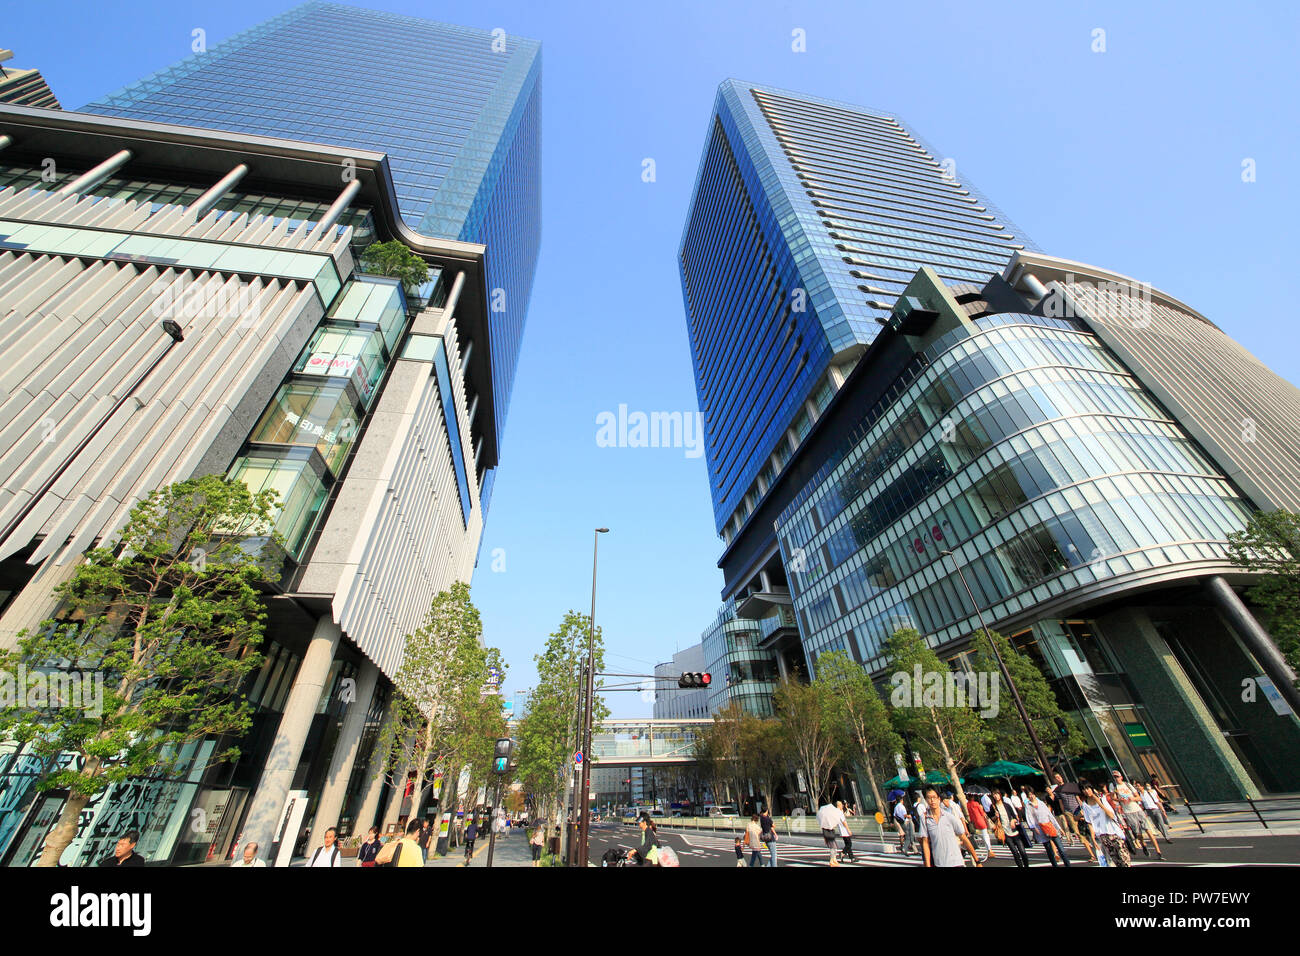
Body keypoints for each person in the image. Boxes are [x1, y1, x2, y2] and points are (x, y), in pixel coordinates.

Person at [920, 788, 982, 868]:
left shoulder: (949, 817)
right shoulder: (924, 818)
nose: (932, 800)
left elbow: (964, 838)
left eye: (934, 797)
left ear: (939, 799)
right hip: (939, 863)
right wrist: (928, 865)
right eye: (929, 798)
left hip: (956, 862)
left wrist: (977, 861)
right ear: (925, 800)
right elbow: (925, 843)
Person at [1112, 771, 1162, 859]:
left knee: (1148, 830)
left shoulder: (1128, 785)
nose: (1116, 778)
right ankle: (1143, 845)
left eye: (1117, 777)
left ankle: (1158, 851)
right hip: (1128, 812)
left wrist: (1133, 798)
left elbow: (1139, 798)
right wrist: (1121, 800)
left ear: (1121, 777)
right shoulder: (1115, 787)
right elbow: (1114, 798)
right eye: (1115, 777)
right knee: (1138, 833)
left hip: (1137, 810)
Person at [1079, 780, 1129, 867]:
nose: (1086, 791)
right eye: (1083, 789)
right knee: (1116, 861)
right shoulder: (1085, 805)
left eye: (1087, 788)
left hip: (1113, 832)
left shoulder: (1102, 799)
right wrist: (1093, 838)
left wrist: (1099, 802)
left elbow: (1111, 815)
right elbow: (1089, 822)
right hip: (1102, 835)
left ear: (1091, 788)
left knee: (1124, 858)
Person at [1024, 790, 1071, 867]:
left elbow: (1050, 816)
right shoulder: (1028, 806)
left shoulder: (1041, 803)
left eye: (1032, 794)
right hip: (1040, 829)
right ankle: (1054, 865)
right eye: (1029, 795)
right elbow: (1029, 818)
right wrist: (1033, 828)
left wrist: (1059, 828)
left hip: (1049, 827)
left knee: (1061, 849)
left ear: (1034, 795)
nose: (1031, 796)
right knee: (1049, 850)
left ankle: (1068, 865)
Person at [991, 789, 1028, 868]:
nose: (996, 796)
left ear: (1000, 795)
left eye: (997, 794)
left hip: (1014, 831)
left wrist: (1012, 821)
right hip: (1005, 832)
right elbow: (991, 819)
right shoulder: (994, 807)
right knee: (1015, 852)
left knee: (1022, 851)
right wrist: (995, 817)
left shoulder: (1007, 805)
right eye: (994, 794)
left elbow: (1015, 817)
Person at [817, 799, 847, 866]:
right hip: (829, 834)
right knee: (833, 848)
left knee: (834, 847)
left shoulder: (826, 822)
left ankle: (834, 860)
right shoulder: (825, 823)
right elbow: (827, 829)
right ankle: (831, 861)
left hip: (830, 834)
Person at [964, 794, 993, 861]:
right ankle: (989, 850)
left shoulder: (967, 805)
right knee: (985, 835)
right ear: (972, 797)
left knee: (981, 834)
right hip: (981, 820)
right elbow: (982, 813)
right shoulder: (976, 803)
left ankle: (986, 849)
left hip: (974, 821)